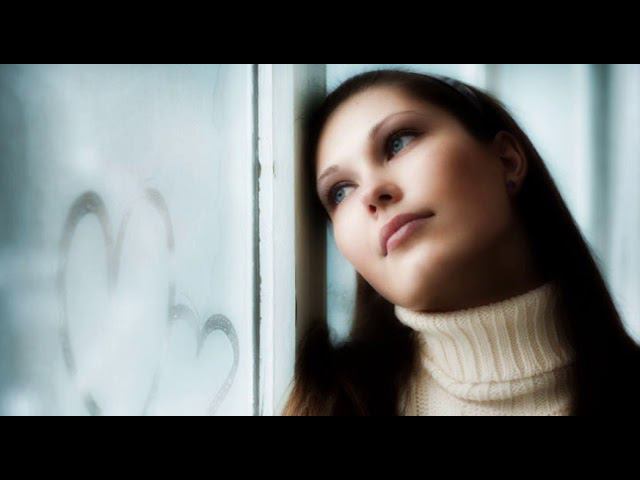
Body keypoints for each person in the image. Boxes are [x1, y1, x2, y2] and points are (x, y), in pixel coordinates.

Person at [280, 69, 640, 416]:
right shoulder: (329, 404)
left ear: (507, 160)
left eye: (398, 142)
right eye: (340, 191)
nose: (371, 193)